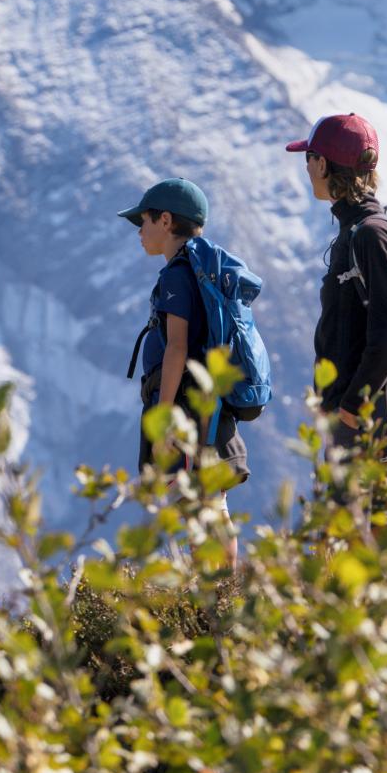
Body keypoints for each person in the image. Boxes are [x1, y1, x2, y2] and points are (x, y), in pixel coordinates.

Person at [286, 114, 387, 527]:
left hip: (367, 414)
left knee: (372, 528)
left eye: (309, 159)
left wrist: (353, 406)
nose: (306, 168)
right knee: (359, 528)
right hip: (355, 411)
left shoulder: (371, 235)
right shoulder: (358, 231)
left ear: (323, 165)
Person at [117, 177, 250, 557]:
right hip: (204, 408)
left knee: (200, 509)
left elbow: (176, 347)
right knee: (209, 505)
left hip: (184, 413)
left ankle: (217, 600)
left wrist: (164, 420)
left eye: (143, 221)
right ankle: (220, 598)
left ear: (165, 221)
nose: (139, 232)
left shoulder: (177, 275)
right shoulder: (197, 269)